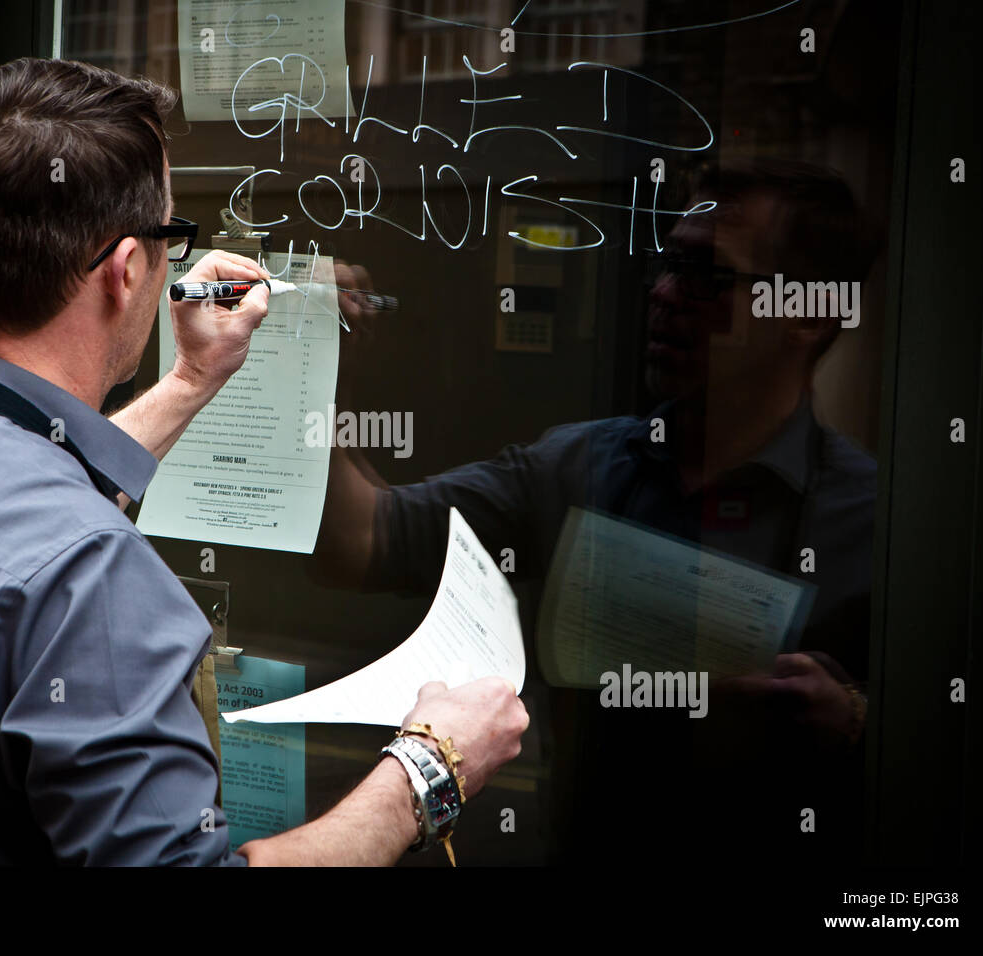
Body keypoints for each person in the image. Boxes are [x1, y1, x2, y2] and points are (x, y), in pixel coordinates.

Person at [0, 57, 527, 866]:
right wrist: (430, 768)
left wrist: (194, 378)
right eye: (169, 235)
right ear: (127, 271)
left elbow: (19, 495)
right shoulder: (89, 576)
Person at [315, 159, 879, 860]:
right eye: (668, 265)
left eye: (708, 278)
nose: (667, 294)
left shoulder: (879, 524)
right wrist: (308, 365)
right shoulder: (580, 467)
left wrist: (856, 722)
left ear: (808, 314)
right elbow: (364, 538)